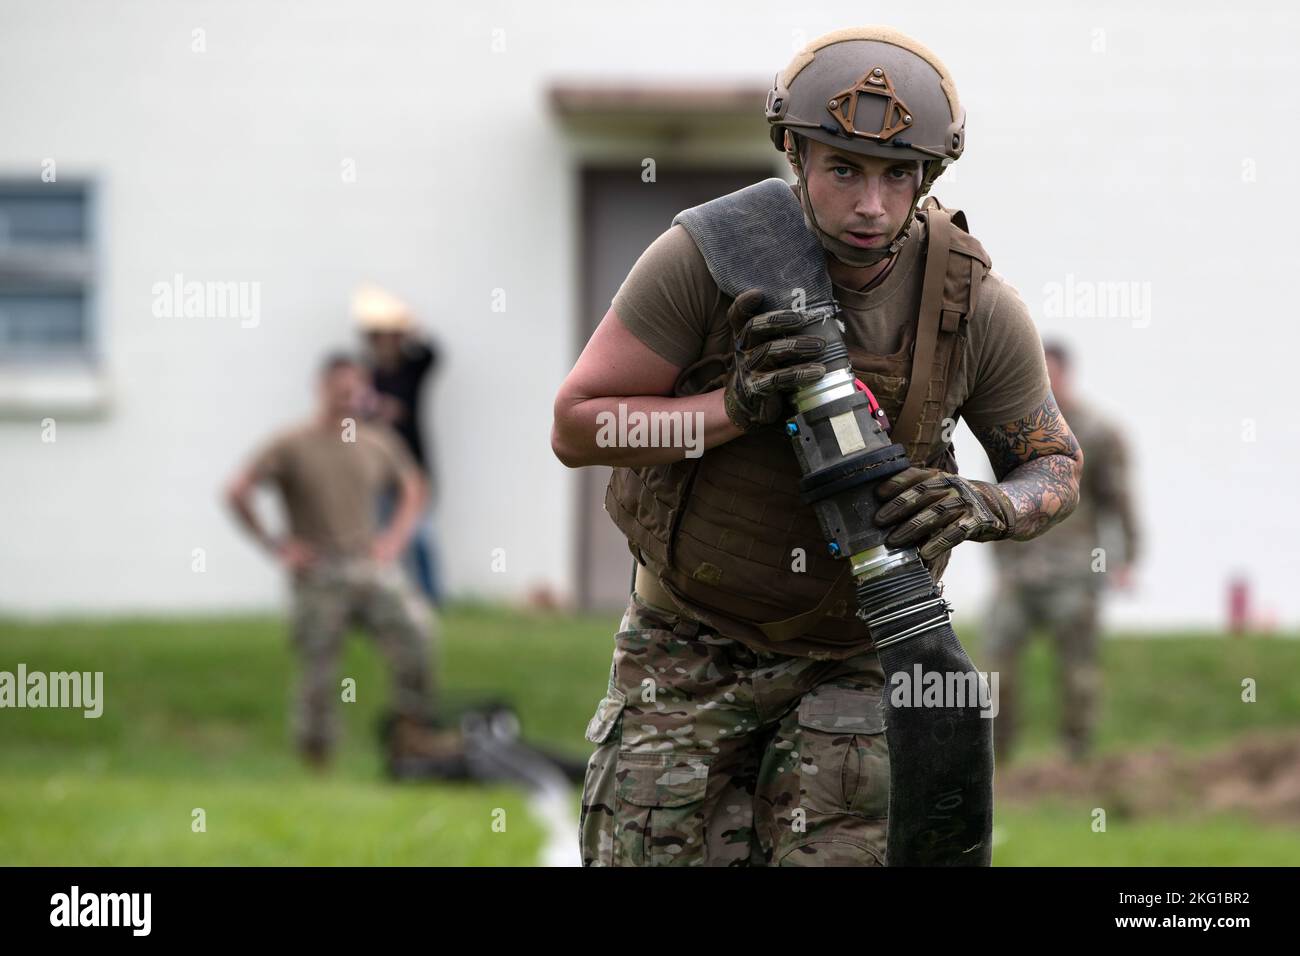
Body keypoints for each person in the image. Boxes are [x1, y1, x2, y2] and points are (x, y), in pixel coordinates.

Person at [551, 25, 1085, 866]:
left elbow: (1053, 464)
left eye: (896, 174)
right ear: (795, 155)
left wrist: (986, 505)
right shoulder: (709, 255)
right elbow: (579, 427)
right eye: (843, 169)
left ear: (929, 175)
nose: (871, 204)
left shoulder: (972, 304)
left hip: (861, 653)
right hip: (689, 637)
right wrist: (728, 410)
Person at [225, 353, 458, 772]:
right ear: (323, 389)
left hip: (369, 566)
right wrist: (277, 546)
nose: (349, 396)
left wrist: (395, 540)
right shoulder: (292, 443)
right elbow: (238, 490)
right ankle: (317, 760)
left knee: (418, 632)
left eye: (357, 388)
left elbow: (413, 486)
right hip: (319, 572)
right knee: (317, 670)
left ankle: (412, 735)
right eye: (341, 388)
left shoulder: (376, 440)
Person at [985, 341, 1140, 763]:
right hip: (1020, 572)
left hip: (1074, 570)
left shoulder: (1098, 432)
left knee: (1078, 670)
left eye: (1051, 373)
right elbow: (997, 504)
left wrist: (1127, 560)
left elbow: (1120, 501)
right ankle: (997, 759)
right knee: (995, 667)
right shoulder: (1010, 430)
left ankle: (1077, 757)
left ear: (1066, 374)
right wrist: (1000, 565)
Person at [353, 283, 444, 607]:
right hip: (377, 468)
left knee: (420, 536)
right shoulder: (366, 374)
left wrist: (406, 324)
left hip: (413, 465)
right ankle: (382, 597)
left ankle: (432, 599)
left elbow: (433, 353)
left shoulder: (411, 370)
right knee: (379, 534)